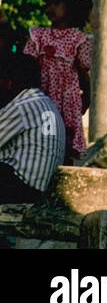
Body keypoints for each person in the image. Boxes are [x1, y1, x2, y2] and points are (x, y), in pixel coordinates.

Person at [23, 0, 94, 163]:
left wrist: (85, 98)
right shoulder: (39, 35)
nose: (51, 8)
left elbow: (83, 74)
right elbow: (26, 67)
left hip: (67, 100)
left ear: (71, 7)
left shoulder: (79, 39)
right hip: (42, 96)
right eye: (49, 4)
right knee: (41, 141)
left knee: (65, 143)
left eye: (57, 3)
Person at [0, 50, 64, 203]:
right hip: (38, 187)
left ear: (9, 82)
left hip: (22, 189)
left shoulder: (22, 106)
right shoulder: (43, 102)